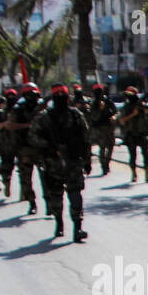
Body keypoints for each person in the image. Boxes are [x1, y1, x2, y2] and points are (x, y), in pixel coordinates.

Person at [29, 83, 91, 242]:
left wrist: (86, 159)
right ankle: (60, 224)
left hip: (72, 160)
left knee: (74, 193)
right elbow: (33, 136)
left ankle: (76, 228)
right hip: (54, 161)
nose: (61, 99)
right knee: (58, 194)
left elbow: (85, 138)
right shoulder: (45, 117)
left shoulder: (76, 115)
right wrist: (49, 146)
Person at [8, 84, 42, 214]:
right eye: (28, 94)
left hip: (41, 148)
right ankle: (32, 202)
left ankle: (50, 203)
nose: (31, 97)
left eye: (33, 94)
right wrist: (27, 125)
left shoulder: (42, 108)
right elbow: (10, 125)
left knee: (47, 177)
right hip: (24, 148)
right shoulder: (18, 109)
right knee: (26, 178)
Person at [117, 86, 148, 182]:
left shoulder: (141, 104)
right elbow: (121, 120)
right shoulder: (126, 107)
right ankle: (134, 174)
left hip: (142, 133)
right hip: (131, 133)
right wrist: (133, 114)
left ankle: (147, 174)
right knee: (133, 155)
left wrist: (144, 111)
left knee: (146, 154)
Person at [0, 88, 20, 197]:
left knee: (24, 169)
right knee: (6, 167)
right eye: (9, 96)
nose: (11, 98)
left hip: (19, 143)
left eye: (13, 96)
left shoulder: (19, 111)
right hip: (5, 144)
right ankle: (5, 182)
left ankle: (25, 192)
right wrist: (6, 122)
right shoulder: (0, 113)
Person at [87, 84, 117, 175]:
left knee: (111, 145)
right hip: (99, 128)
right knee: (102, 147)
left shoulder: (107, 100)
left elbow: (115, 111)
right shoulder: (93, 103)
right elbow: (94, 117)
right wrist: (100, 109)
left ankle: (107, 162)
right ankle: (104, 166)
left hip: (109, 126)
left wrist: (114, 116)